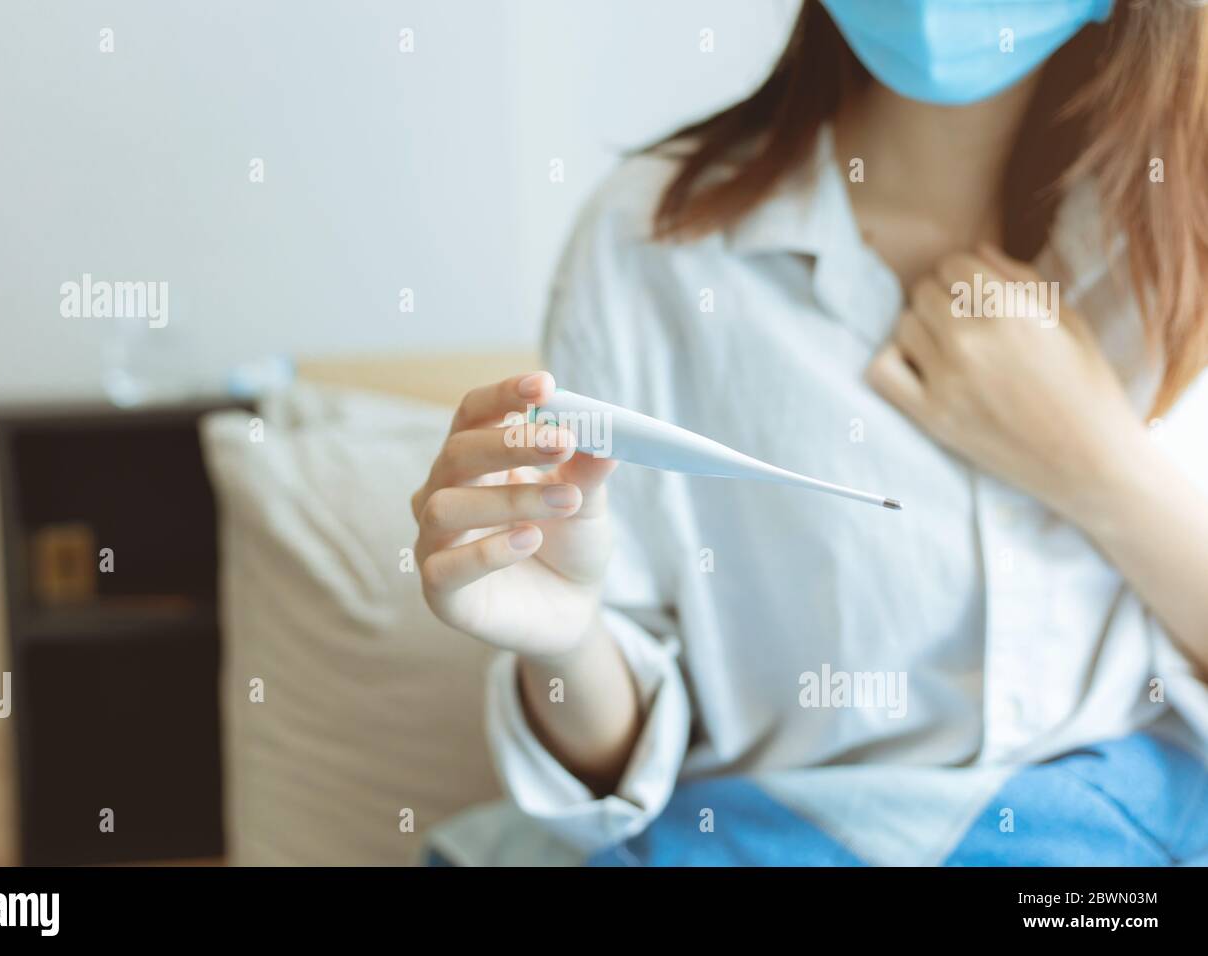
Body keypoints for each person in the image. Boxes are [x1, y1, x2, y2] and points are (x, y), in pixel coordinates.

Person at [411, 0, 1208, 864]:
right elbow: (620, 770)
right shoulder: (654, 243)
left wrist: (1099, 466)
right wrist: (567, 643)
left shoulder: (1182, 237)